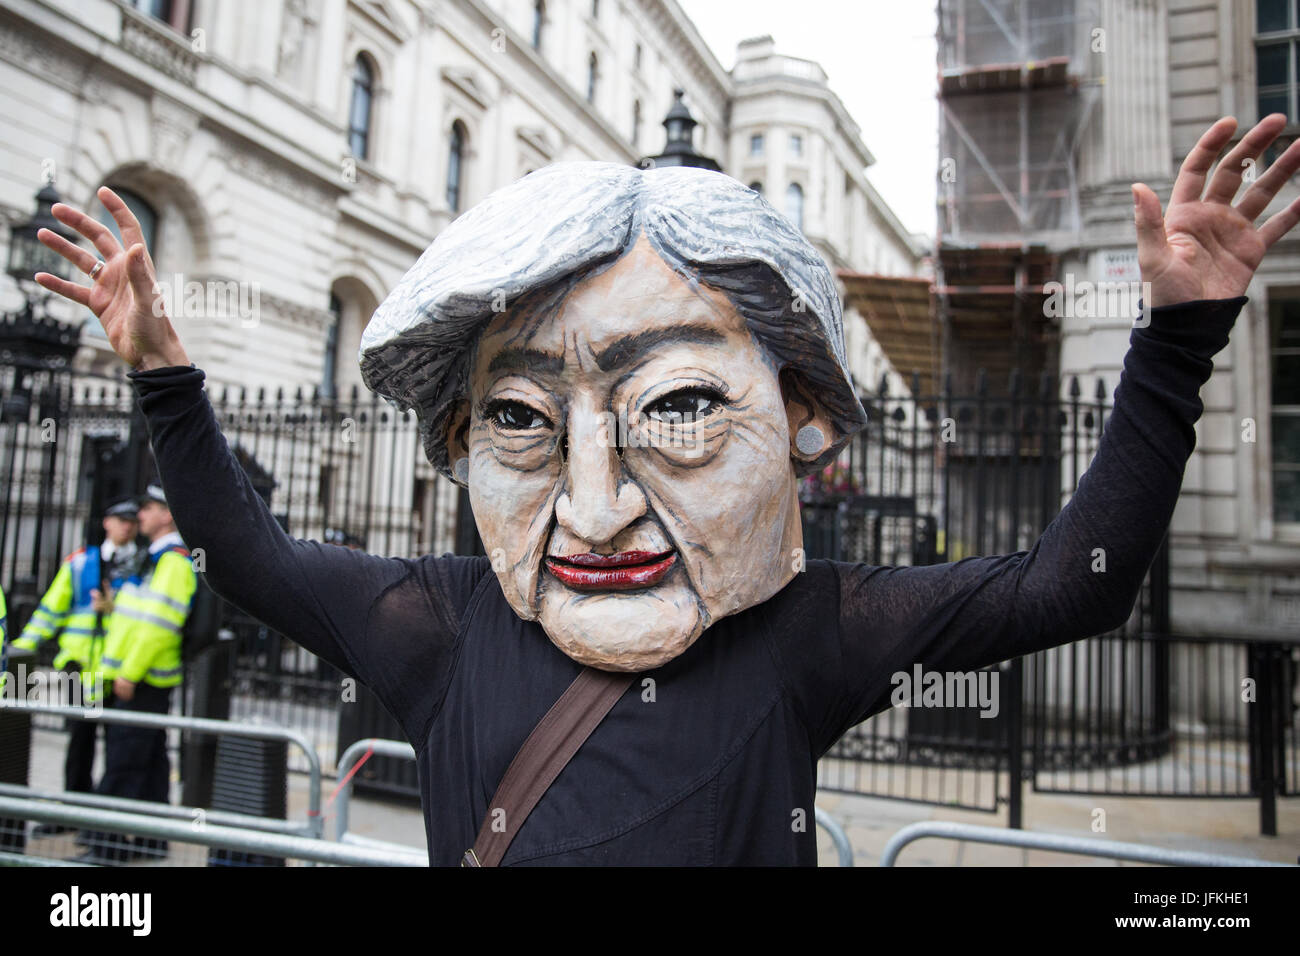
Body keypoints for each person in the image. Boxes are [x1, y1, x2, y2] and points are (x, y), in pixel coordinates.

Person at [34, 115, 1300, 865]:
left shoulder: (806, 634)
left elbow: (1071, 588)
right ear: (465, 432)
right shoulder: (441, 622)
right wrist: (161, 376)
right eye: (522, 420)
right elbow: (248, 557)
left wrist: (1178, 340)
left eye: (680, 408)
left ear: (799, 416)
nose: (593, 506)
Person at [75, 485, 195, 862]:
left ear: (168, 515)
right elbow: (140, 614)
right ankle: (150, 841)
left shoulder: (173, 561)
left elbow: (160, 624)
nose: (140, 515)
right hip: (139, 677)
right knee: (152, 760)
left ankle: (105, 848)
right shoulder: (155, 557)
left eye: (148, 508)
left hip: (142, 679)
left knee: (124, 761)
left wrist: (129, 672)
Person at [11, 500, 139, 832]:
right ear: (107, 522)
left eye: (132, 522)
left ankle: (101, 820)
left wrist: (113, 608)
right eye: (121, 520)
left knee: (116, 744)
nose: (127, 527)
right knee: (78, 739)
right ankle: (71, 812)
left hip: (114, 668)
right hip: (77, 665)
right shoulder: (81, 561)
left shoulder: (141, 564)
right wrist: (21, 648)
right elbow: (51, 609)